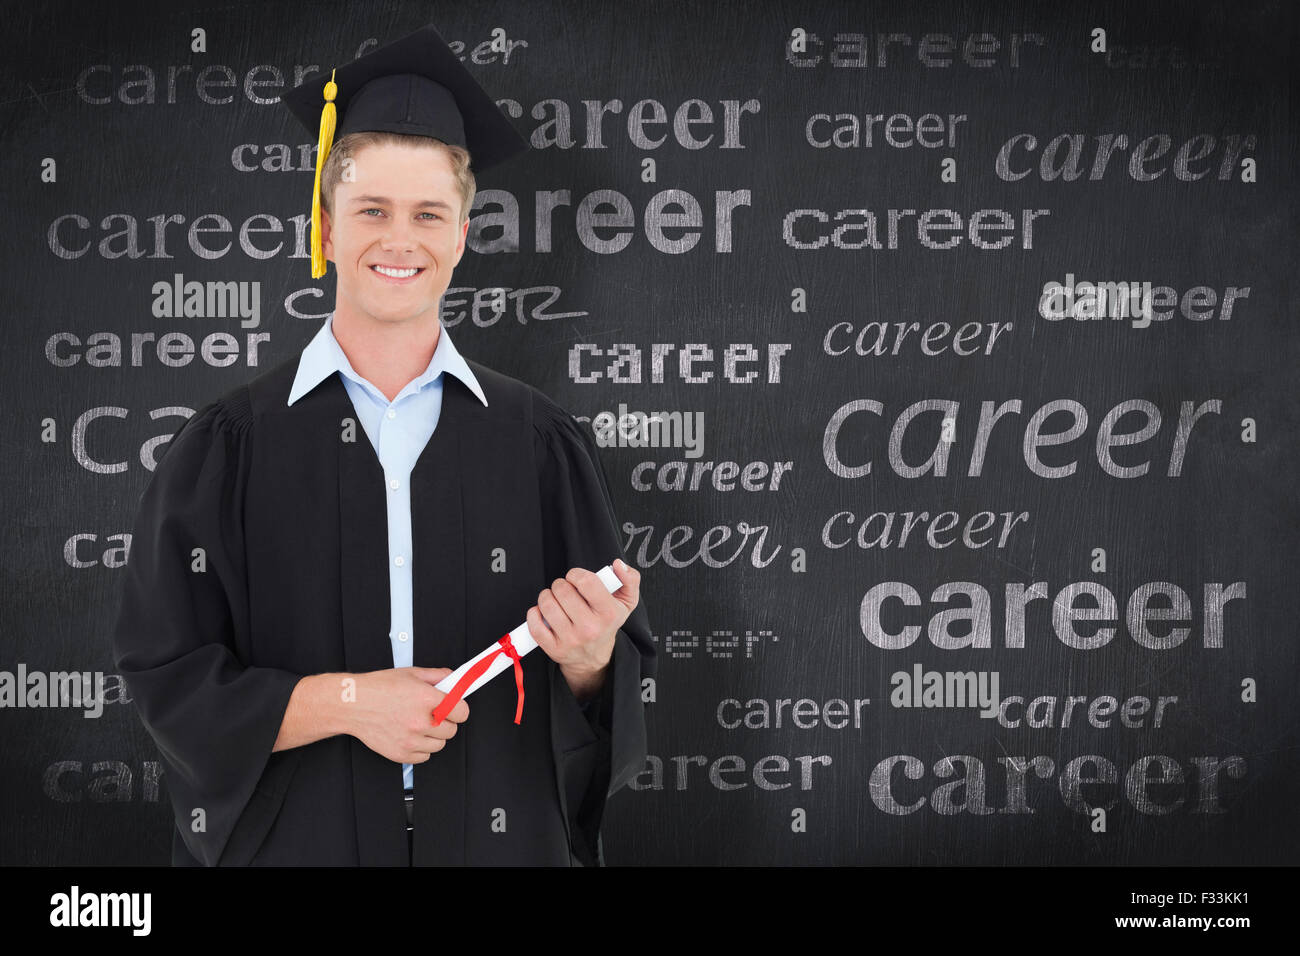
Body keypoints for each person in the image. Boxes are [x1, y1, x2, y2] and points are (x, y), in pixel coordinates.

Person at [110, 23, 656, 866]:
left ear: (461, 237)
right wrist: (348, 702)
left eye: (428, 214)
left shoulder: (541, 443)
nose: (400, 241)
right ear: (325, 228)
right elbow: (167, 679)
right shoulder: (227, 447)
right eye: (372, 210)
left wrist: (589, 660)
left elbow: (599, 696)